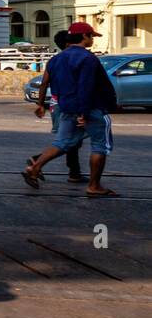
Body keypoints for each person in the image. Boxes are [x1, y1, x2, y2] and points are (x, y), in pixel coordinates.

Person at [22, 22, 118, 197]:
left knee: (62, 142)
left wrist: (41, 104)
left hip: (66, 108)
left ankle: (34, 168)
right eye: (91, 36)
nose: (92, 40)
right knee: (100, 146)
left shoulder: (56, 59)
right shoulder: (87, 58)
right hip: (91, 109)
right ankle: (94, 186)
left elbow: (49, 83)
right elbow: (85, 86)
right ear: (84, 37)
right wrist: (84, 112)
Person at [29, 30, 84, 183]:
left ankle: (74, 172)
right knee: (70, 139)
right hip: (69, 104)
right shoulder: (74, 59)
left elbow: (44, 82)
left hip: (56, 103)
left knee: (71, 138)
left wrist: (40, 104)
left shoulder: (54, 60)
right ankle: (38, 161)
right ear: (68, 43)